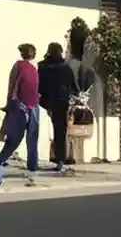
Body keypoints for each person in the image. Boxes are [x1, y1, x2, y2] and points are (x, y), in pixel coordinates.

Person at [0, 43, 41, 185]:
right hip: (32, 105)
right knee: (32, 137)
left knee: (15, 136)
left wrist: (10, 103)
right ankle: (32, 166)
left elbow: (13, 86)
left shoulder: (19, 67)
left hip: (21, 104)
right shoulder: (33, 69)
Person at [38, 42, 79, 174]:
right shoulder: (65, 68)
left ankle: (37, 159)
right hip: (61, 102)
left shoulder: (43, 66)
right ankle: (60, 160)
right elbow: (74, 87)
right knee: (60, 132)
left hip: (46, 102)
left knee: (42, 131)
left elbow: (40, 85)